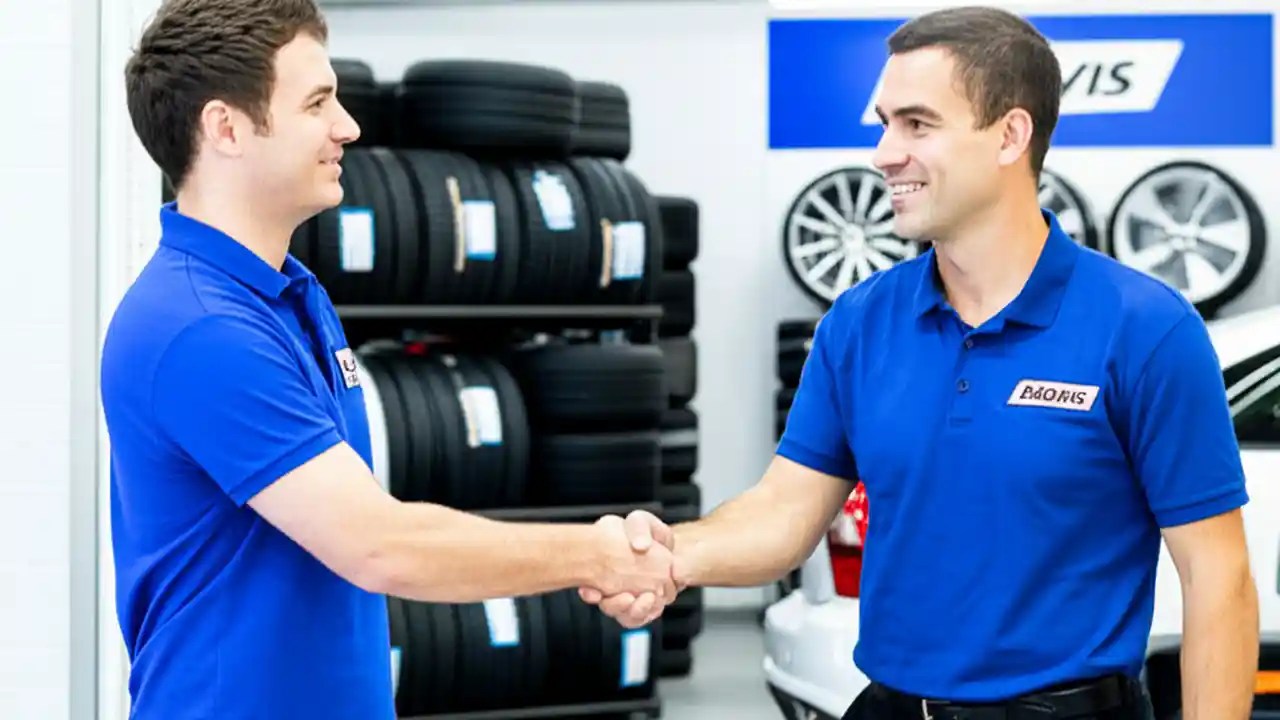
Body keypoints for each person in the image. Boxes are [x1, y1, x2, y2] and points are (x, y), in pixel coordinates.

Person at [585, 7, 1260, 720]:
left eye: (916, 124)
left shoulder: (1145, 329)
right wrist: (672, 555)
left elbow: (1217, 578)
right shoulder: (860, 322)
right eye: (883, 123)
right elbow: (784, 514)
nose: (882, 153)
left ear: (1010, 135)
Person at [100, 1, 672, 718]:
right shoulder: (198, 328)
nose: (349, 126)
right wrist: (597, 554)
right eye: (317, 103)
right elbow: (381, 545)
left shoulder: (291, 298)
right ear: (226, 128)